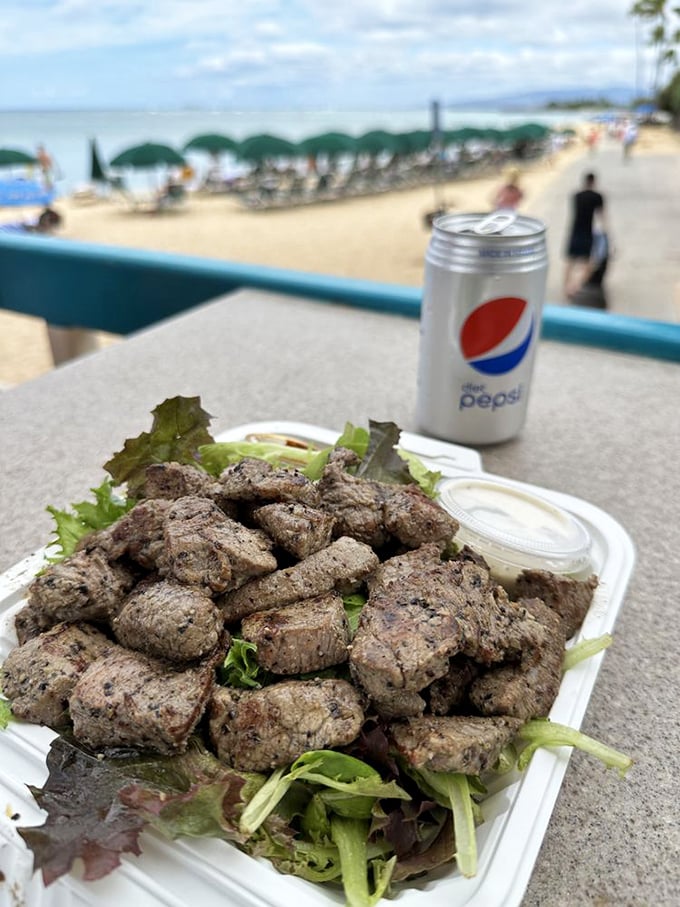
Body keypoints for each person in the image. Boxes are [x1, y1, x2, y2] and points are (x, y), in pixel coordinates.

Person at [564, 172, 607, 299]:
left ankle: (567, 287)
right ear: (594, 182)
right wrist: (605, 233)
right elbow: (602, 216)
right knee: (589, 262)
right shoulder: (597, 196)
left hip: (574, 230)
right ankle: (576, 287)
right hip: (587, 231)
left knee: (570, 261)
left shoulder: (576, 195)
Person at [570, 229, 610, 309]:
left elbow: (592, 264)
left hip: (592, 289)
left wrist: (577, 285)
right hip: (593, 288)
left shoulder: (595, 240)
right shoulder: (599, 240)